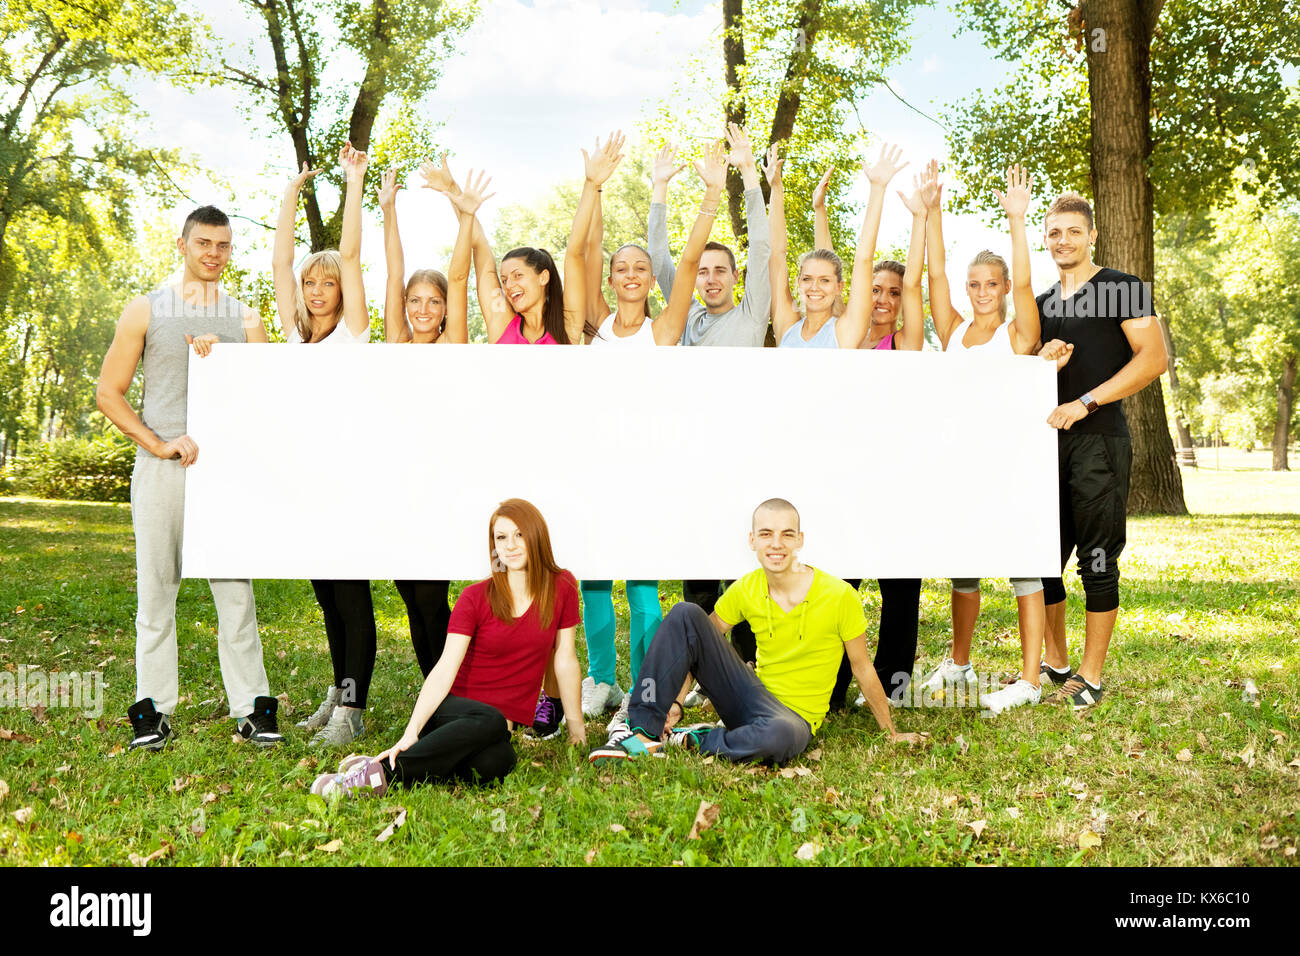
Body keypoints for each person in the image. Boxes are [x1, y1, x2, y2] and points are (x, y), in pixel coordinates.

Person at [96, 205, 282, 750]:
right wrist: (157, 443)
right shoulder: (145, 310)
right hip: (162, 471)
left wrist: (229, 361)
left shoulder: (246, 320)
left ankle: (253, 709)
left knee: (236, 595)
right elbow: (109, 393)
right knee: (156, 593)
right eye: (203, 243)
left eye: (223, 246)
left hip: (223, 477)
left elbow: (263, 400)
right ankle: (153, 710)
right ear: (182, 245)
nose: (213, 254)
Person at [574, 141, 730, 716]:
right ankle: (599, 679)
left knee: (641, 584)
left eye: (642, 267)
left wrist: (711, 195)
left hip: (645, 467)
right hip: (595, 463)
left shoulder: (663, 329)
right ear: (612, 279)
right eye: (623, 268)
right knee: (594, 579)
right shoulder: (592, 329)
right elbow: (580, 250)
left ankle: (643, 686)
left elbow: (687, 265)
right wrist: (594, 186)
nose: (634, 274)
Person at [589, 499, 920, 764]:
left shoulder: (839, 595)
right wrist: (676, 699)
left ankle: (689, 738)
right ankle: (640, 730)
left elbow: (862, 667)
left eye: (787, 534)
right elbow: (696, 640)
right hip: (748, 695)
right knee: (686, 614)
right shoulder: (748, 587)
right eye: (766, 534)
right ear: (752, 540)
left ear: (800, 540)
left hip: (794, 718)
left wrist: (890, 732)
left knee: (780, 738)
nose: (776, 544)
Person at [309, 499, 586, 797]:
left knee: (495, 764)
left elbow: (565, 659)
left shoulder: (562, 586)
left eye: (519, 535)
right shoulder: (475, 597)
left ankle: (378, 766)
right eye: (501, 537)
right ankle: (377, 775)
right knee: (491, 720)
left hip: (496, 728)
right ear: (493, 546)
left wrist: (576, 728)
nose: (511, 545)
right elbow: (445, 668)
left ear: (536, 535)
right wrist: (412, 731)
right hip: (452, 711)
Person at [909, 162, 1050, 714]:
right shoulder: (954, 330)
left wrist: (1018, 221)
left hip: (1009, 465)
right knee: (963, 568)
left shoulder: (1019, 334)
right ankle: (960, 663)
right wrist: (933, 210)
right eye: (976, 284)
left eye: (992, 284)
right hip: (959, 465)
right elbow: (934, 273)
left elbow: (1022, 281)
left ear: (1004, 289)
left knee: (1022, 566)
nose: (984, 291)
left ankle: (1030, 679)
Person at [1035, 191, 1168, 709]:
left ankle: (1089, 678)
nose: (1063, 240)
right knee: (1042, 558)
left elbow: (1153, 359)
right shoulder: (1045, 302)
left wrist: (1085, 401)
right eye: (1053, 232)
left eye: (1073, 231)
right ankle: (1058, 663)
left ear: (1092, 235)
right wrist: (1045, 359)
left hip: (1099, 442)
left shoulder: (1121, 289)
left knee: (1095, 560)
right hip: (1048, 446)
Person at [647, 124, 769, 673]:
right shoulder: (687, 313)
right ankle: (700, 670)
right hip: (688, 457)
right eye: (706, 271)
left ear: (736, 277)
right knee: (696, 574)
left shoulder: (749, 317)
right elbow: (659, 255)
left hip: (742, 458)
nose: (712, 277)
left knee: (739, 569)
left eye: (723, 270)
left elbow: (765, 247)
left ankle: (744, 668)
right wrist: (660, 190)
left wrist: (748, 174)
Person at [808, 149, 926, 711]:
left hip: (897, 472)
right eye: (875, 290)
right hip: (847, 472)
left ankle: (894, 685)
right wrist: (821, 210)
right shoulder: (846, 334)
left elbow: (918, 280)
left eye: (892, 293)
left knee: (901, 585)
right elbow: (839, 268)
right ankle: (829, 689)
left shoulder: (904, 342)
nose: (881, 299)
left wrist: (923, 221)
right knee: (843, 582)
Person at [273, 144, 377, 747]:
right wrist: (290, 197)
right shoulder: (295, 335)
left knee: (351, 591)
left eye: (326, 282)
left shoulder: (353, 334)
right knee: (326, 595)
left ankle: (354, 708)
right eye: (311, 282)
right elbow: (282, 260)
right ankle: (339, 692)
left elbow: (355, 254)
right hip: (305, 478)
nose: (315, 290)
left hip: (350, 477)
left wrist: (352, 183)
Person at [376, 164, 483, 675]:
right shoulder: (396, 343)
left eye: (433, 301)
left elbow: (460, 274)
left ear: (444, 310)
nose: (422, 308)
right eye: (415, 301)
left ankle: (451, 685)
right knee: (408, 594)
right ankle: (435, 687)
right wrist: (387, 210)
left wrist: (462, 214)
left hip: (440, 485)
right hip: (396, 482)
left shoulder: (452, 345)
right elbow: (393, 272)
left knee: (429, 593)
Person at [767, 142, 904, 350]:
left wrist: (877, 189)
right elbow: (776, 253)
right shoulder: (786, 326)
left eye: (825, 280)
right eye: (807, 279)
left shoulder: (844, 331)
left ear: (839, 286)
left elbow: (864, 259)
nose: (814, 287)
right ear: (798, 282)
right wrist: (776, 188)